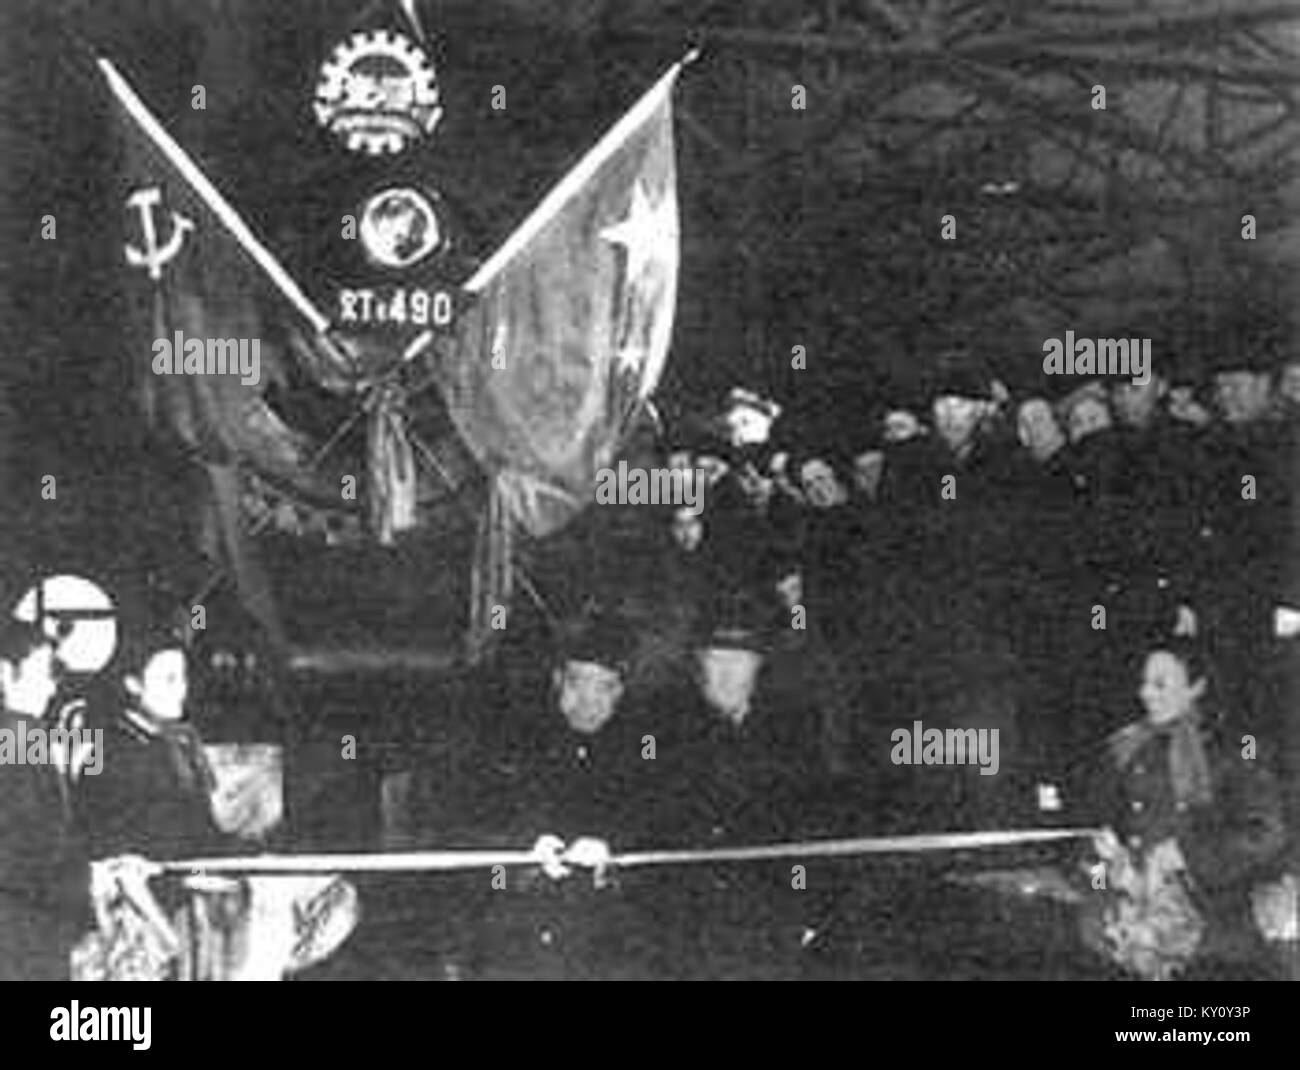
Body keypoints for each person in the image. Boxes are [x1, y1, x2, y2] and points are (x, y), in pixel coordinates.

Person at [1080, 643, 1286, 980]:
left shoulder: (1233, 753)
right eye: (1144, 683)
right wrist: (1106, 874)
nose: (1145, 693)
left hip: (1210, 947)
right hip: (1128, 940)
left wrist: (1185, 854)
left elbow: (1266, 833)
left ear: (1196, 687)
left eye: (1160, 684)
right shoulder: (1126, 749)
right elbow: (1090, 846)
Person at [0, 616, 86, 980]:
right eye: (43, 673)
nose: (51, 690)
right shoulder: (23, 734)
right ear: (4, 673)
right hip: (30, 930)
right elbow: (41, 840)